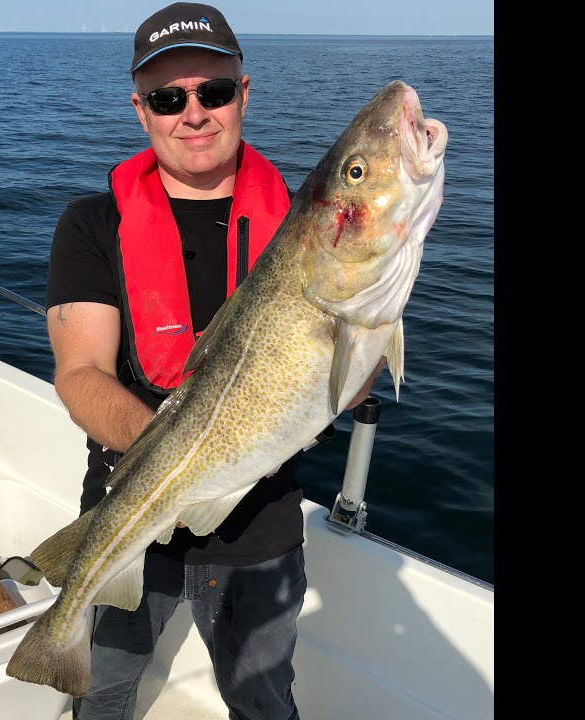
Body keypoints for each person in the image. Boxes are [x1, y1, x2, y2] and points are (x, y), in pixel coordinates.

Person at [43, 4, 381, 719]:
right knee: (103, 692)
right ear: (141, 110)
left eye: (214, 91)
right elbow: (79, 374)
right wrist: (181, 459)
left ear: (243, 95)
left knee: (262, 699)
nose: (193, 113)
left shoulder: (303, 230)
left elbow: (346, 390)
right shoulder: (91, 224)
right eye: (168, 98)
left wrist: (375, 301)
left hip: (260, 525)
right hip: (126, 505)